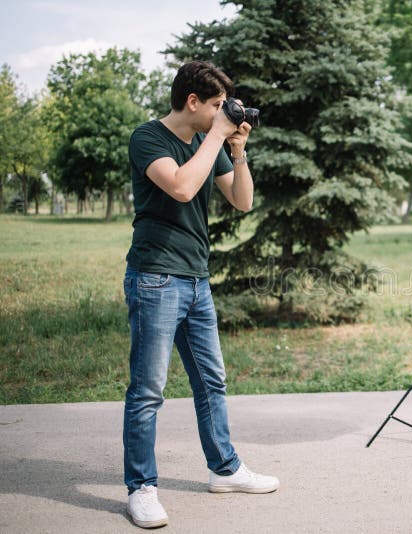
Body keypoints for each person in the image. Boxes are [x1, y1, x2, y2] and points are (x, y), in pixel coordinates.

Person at [123, 61, 278, 529]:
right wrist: (215, 138)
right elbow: (183, 187)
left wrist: (239, 149)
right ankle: (142, 489)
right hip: (155, 279)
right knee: (148, 390)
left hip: (195, 280)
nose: (220, 114)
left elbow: (243, 200)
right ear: (193, 102)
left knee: (212, 382)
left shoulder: (212, 142)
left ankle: (225, 469)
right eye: (215, 106)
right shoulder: (147, 138)